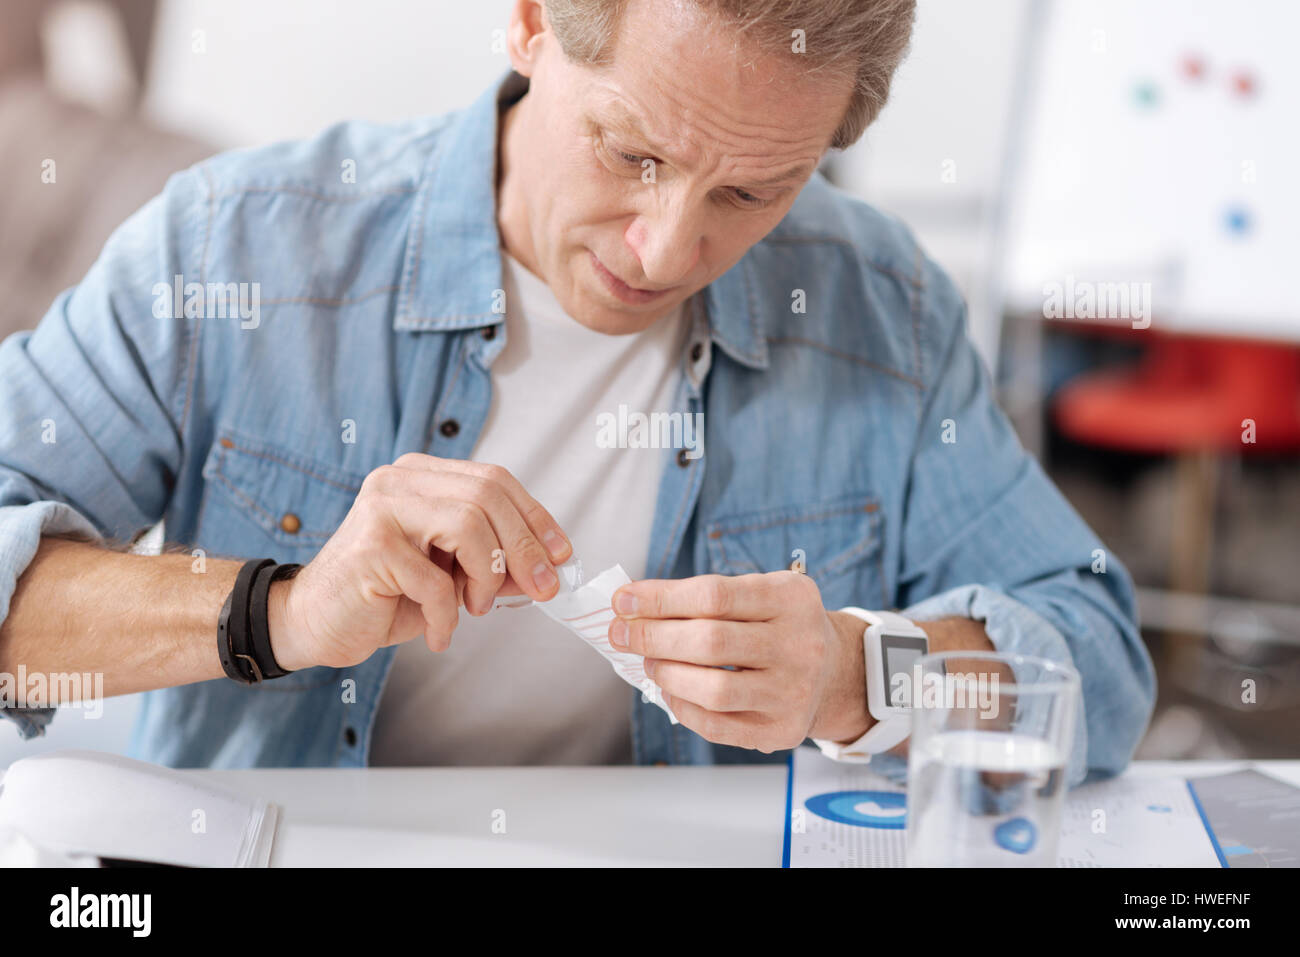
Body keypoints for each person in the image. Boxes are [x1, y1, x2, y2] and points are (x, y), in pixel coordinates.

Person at [0, 0, 1153, 782]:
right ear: (532, 23)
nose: (662, 251)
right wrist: (283, 612)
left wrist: (863, 675)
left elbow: (1093, 665)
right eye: (630, 155)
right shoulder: (233, 251)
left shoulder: (878, 307)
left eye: (751, 195)